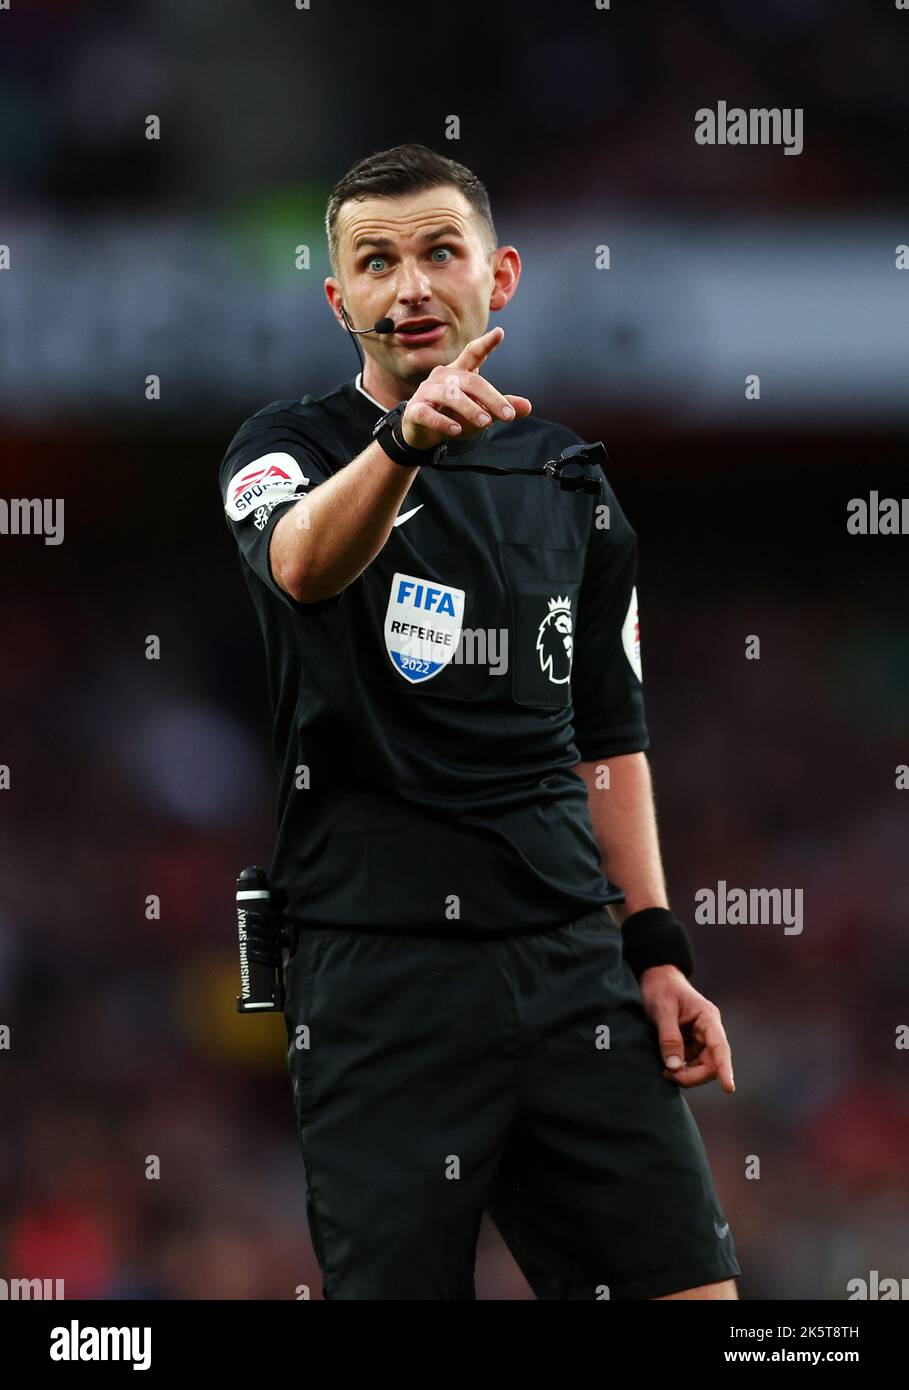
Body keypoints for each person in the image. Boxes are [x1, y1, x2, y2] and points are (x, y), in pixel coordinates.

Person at [219, 143, 741, 1300]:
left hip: (572, 964)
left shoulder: (571, 480)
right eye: (376, 261)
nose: (409, 285)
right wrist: (403, 444)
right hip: (382, 977)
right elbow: (302, 564)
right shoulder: (282, 448)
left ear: (497, 275)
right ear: (337, 297)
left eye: (438, 252)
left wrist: (654, 946)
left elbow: (609, 735)